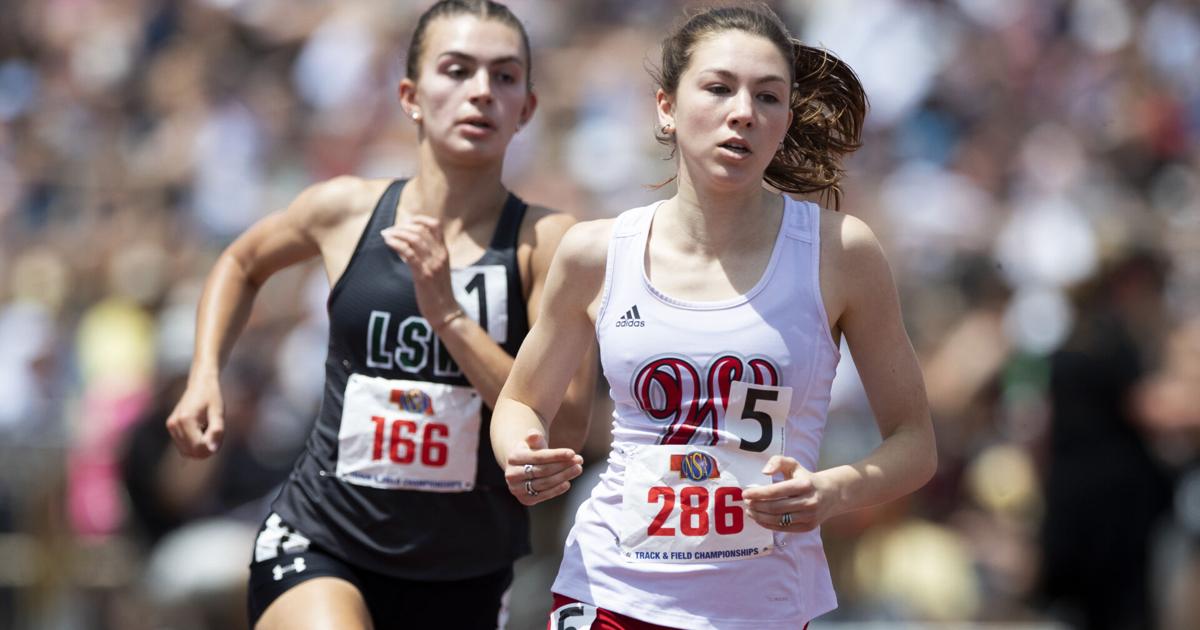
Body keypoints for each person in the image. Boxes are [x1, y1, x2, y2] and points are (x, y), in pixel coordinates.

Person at [491, 5, 936, 629]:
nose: (743, 112)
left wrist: (829, 491)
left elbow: (915, 444)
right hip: (612, 592)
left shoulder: (841, 253)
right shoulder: (597, 253)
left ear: (784, 119)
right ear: (666, 107)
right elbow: (520, 403)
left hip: (764, 606)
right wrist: (521, 452)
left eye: (768, 96)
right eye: (719, 88)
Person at [165, 1, 594, 628]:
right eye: (456, 70)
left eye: (504, 77)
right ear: (411, 95)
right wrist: (205, 373)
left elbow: (564, 432)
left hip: (463, 570)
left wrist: (449, 317)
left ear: (526, 108)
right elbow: (241, 262)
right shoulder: (346, 211)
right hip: (322, 536)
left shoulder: (548, 245)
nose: (480, 92)